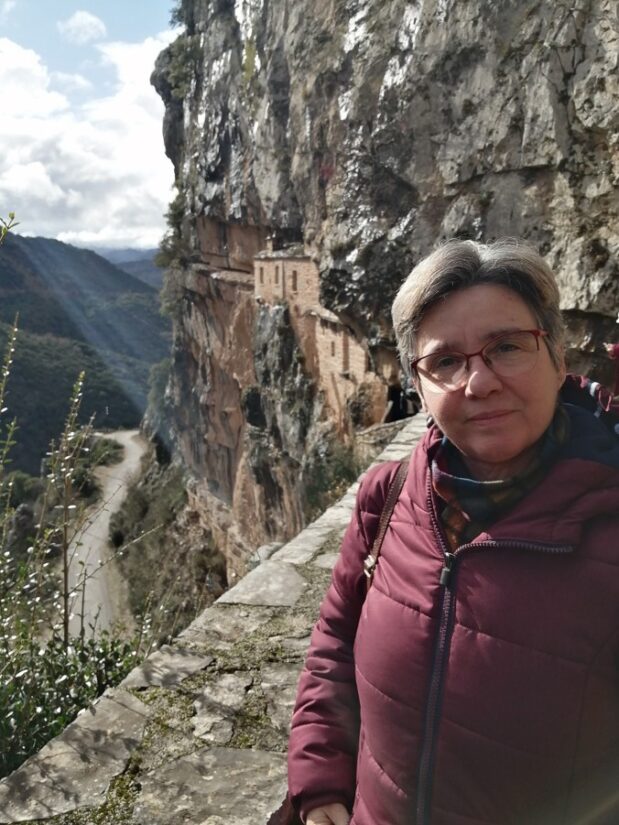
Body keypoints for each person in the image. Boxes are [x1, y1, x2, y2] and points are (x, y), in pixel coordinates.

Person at [287, 239, 619, 825]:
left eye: (508, 347)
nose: (479, 383)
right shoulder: (385, 500)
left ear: (558, 356)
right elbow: (333, 650)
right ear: (418, 387)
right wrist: (319, 787)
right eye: (445, 362)